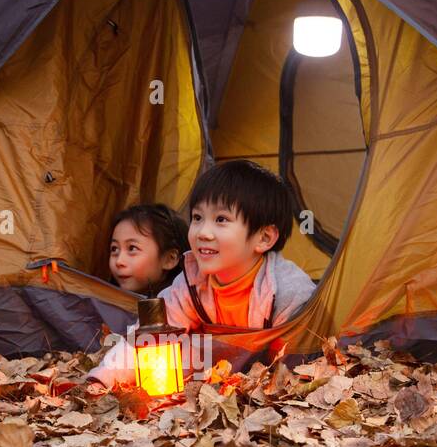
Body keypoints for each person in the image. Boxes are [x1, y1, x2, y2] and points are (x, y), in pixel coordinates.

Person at [88, 160, 315, 387]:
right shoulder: (190, 283)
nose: (202, 233)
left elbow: (299, 361)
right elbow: (146, 336)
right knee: (166, 350)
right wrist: (103, 379)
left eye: (221, 219)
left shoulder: (288, 292)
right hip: (214, 375)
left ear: (263, 238)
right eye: (197, 218)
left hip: (266, 382)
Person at [107, 203, 188, 296]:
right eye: (114, 249)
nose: (119, 261)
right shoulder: (101, 302)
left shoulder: (181, 307)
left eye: (132, 248)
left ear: (170, 259)